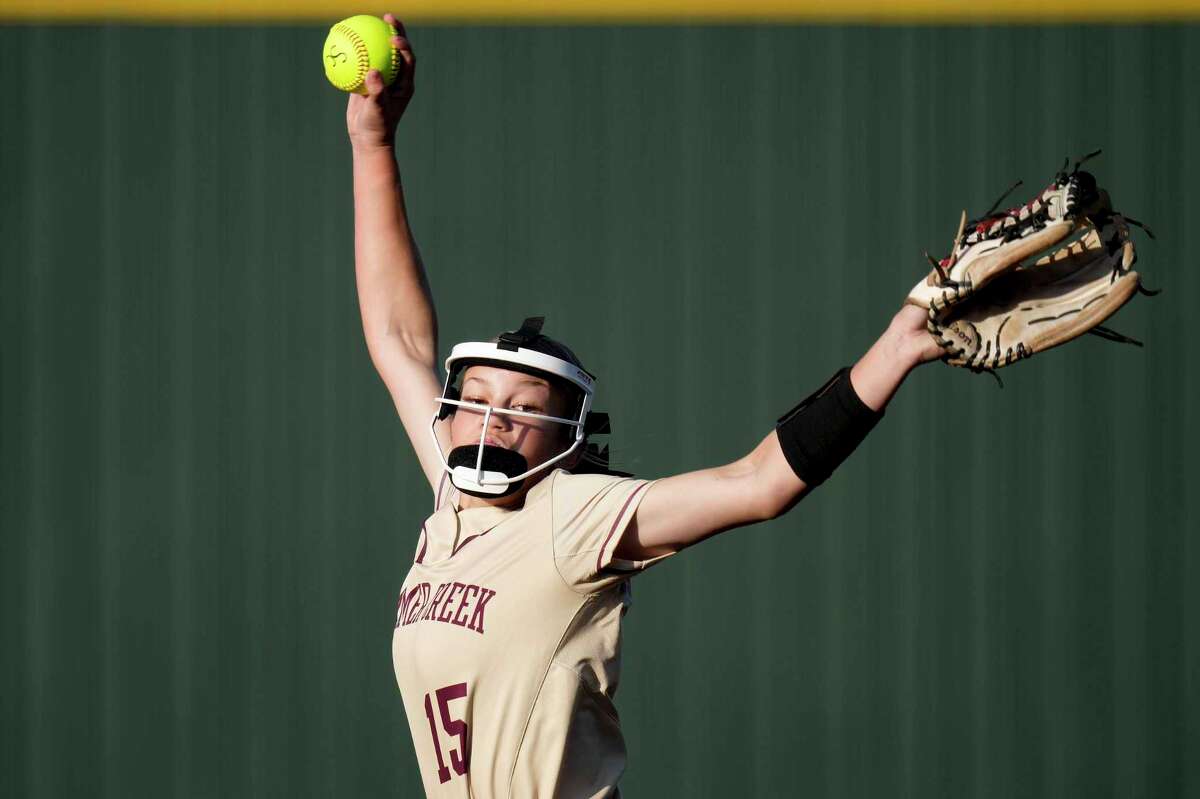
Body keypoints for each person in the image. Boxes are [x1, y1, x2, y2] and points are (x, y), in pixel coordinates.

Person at [347, 14, 943, 797]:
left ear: (563, 439)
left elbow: (759, 484)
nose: (494, 418)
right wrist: (373, 145)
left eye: (523, 407)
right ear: (451, 413)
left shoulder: (572, 516)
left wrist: (898, 346)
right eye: (481, 399)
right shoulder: (452, 501)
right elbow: (396, 338)